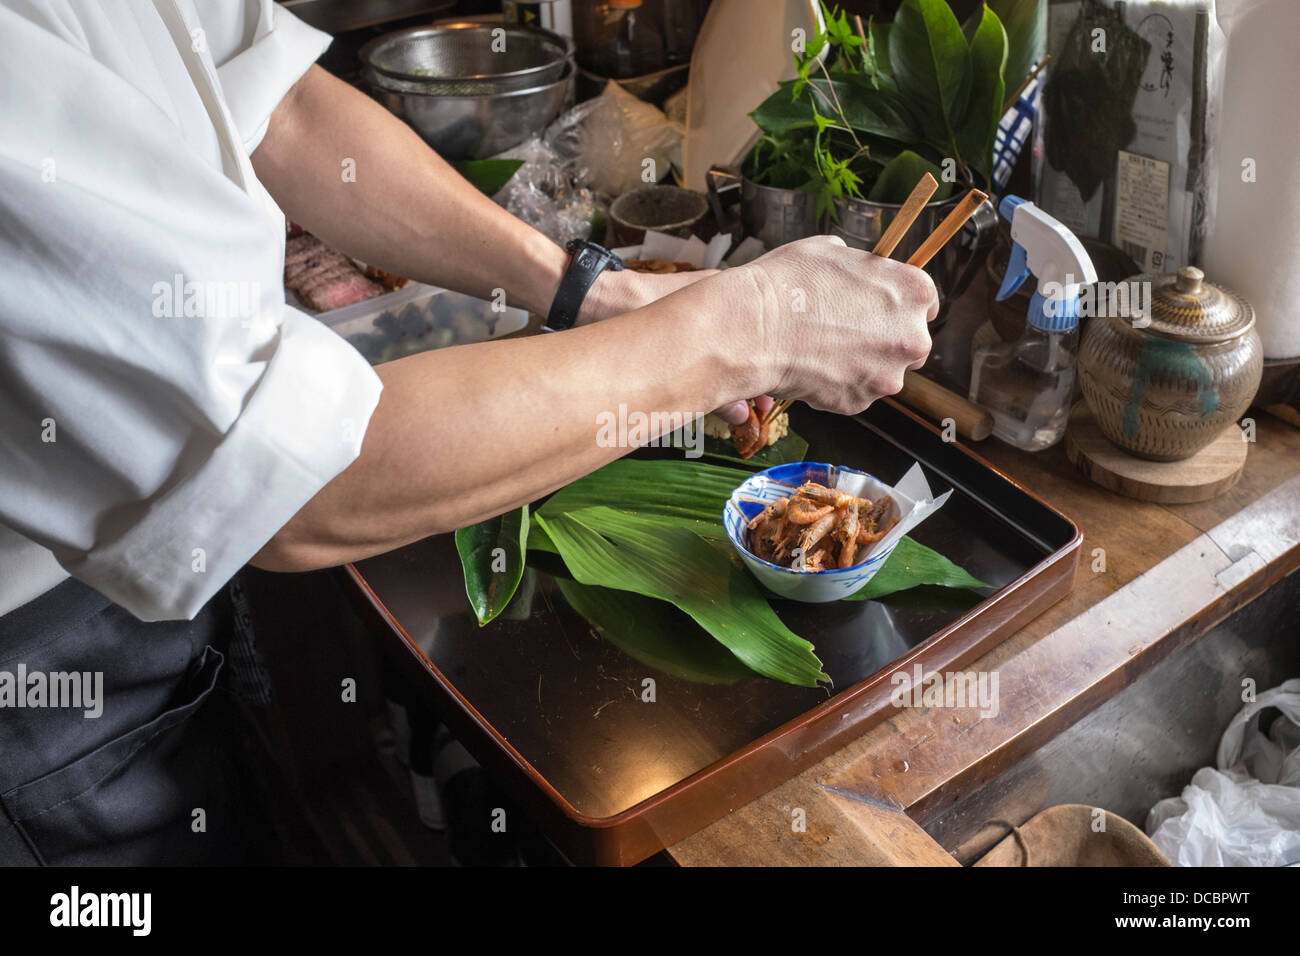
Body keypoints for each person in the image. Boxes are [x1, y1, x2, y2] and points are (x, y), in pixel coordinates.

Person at [0, 0, 937, 865]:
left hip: (137, 596)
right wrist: (745, 332)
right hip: (38, 680)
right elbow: (297, 482)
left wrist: (593, 293)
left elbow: (276, 106)